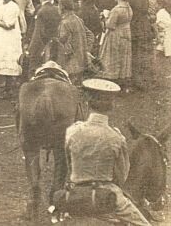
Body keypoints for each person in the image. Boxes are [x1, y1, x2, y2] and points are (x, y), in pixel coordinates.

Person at [62, 79, 149, 226]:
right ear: (112, 105)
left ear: (88, 103)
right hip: (106, 195)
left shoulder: (72, 132)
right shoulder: (116, 137)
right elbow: (122, 175)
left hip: (75, 195)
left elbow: (69, 164)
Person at [99, 0, 133, 89]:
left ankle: (112, 77)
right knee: (124, 56)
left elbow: (110, 25)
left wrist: (104, 17)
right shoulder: (128, 7)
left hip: (116, 34)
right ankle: (122, 77)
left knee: (112, 56)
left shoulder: (117, 9)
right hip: (126, 33)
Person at [56, 0, 90, 84]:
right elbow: (90, 35)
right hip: (81, 60)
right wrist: (87, 49)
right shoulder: (78, 19)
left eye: (58, 5)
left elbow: (63, 43)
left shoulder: (65, 23)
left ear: (62, 7)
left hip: (71, 63)